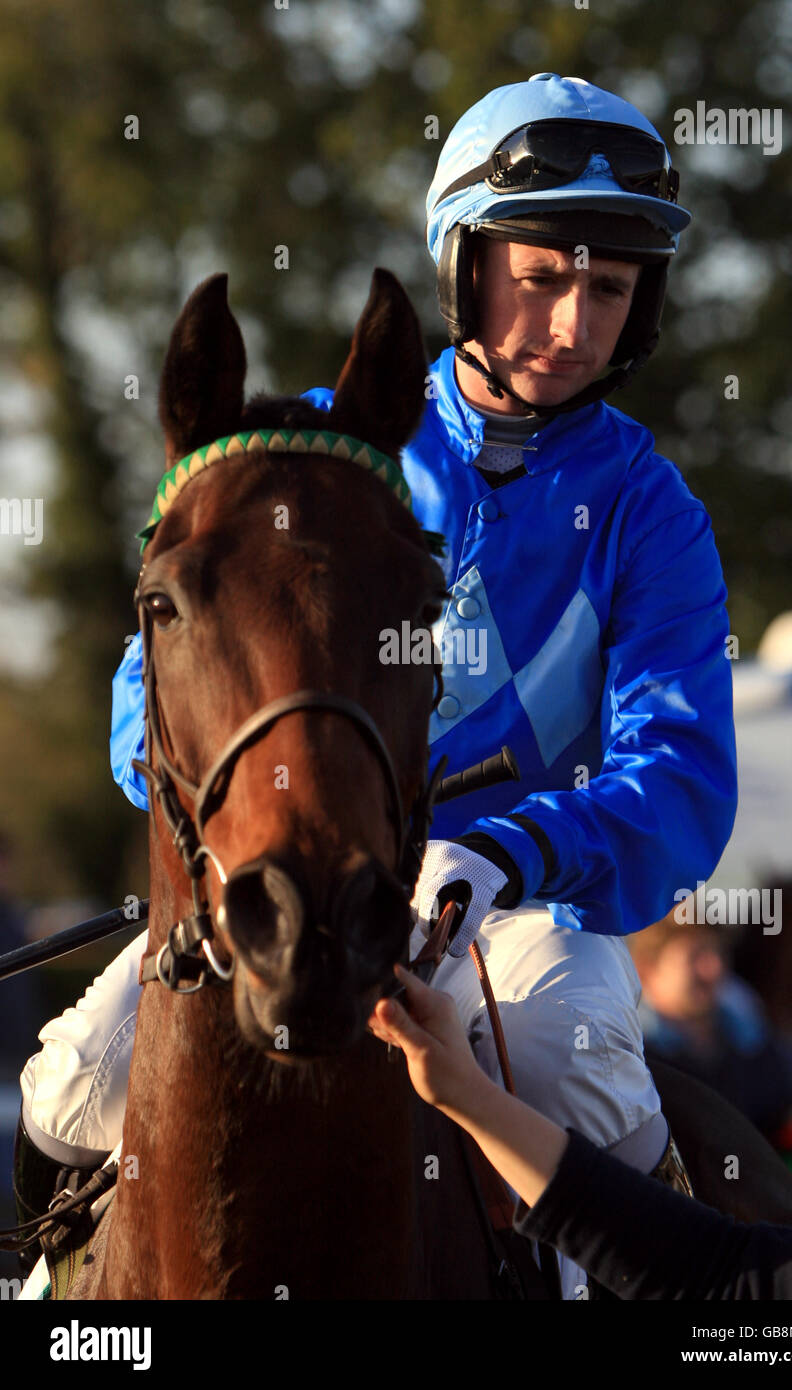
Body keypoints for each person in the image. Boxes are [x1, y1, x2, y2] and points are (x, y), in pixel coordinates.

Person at [15, 74, 737, 1296]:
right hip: (274, 880)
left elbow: (677, 779)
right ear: (463, 268)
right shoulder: (299, 449)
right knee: (65, 1091)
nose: (570, 323)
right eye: (541, 277)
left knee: (576, 1061)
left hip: (513, 917)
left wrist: (508, 852)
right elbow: (151, 696)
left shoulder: (651, 514)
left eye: (605, 289)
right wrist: (242, 835)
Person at [369, 963, 792, 1300]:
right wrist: (469, 1095)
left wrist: (520, 852)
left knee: (561, 1053)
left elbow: (711, 1280)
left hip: (552, 892)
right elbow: (718, 1278)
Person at [630, 910, 792, 1138]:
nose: (713, 968)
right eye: (695, 955)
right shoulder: (632, 1062)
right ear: (646, 970)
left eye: (716, 951)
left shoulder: (755, 1042)